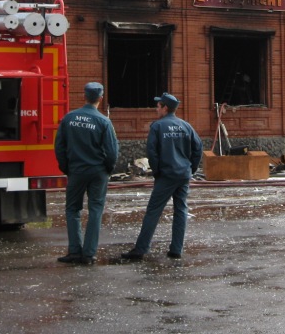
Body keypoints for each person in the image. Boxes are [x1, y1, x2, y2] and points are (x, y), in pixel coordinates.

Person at [121, 93, 203, 261]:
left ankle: (140, 249)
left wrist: (157, 171)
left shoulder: (157, 127)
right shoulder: (186, 126)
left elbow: (152, 152)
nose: (156, 108)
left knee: (153, 211)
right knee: (180, 210)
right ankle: (176, 249)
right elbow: (198, 148)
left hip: (166, 175)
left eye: (158, 106)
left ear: (165, 108)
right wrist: (190, 169)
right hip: (183, 174)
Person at [54, 82, 119, 264]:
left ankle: (74, 251)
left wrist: (66, 167)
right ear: (100, 98)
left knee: (73, 209)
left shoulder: (69, 118)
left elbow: (59, 146)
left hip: (76, 170)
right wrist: (107, 168)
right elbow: (112, 151)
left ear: (84, 96)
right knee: (96, 210)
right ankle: (89, 254)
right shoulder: (103, 121)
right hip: (98, 171)